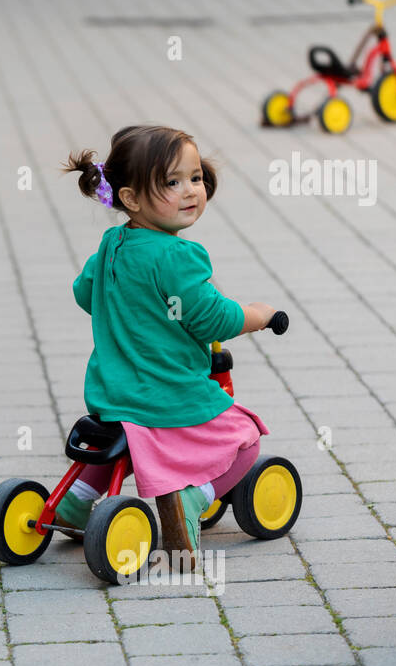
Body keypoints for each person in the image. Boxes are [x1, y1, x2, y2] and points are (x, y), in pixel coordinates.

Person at [55, 124, 281, 556]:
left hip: (109, 392)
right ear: (131, 198)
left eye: (195, 178)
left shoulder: (113, 243)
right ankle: (193, 497)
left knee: (124, 436)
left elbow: (85, 293)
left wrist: (127, 306)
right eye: (171, 183)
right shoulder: (178, 256)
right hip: (166, 395)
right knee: (245, 439)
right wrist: (258, 315)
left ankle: (73, 504)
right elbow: (213, 319)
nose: (191, 191)